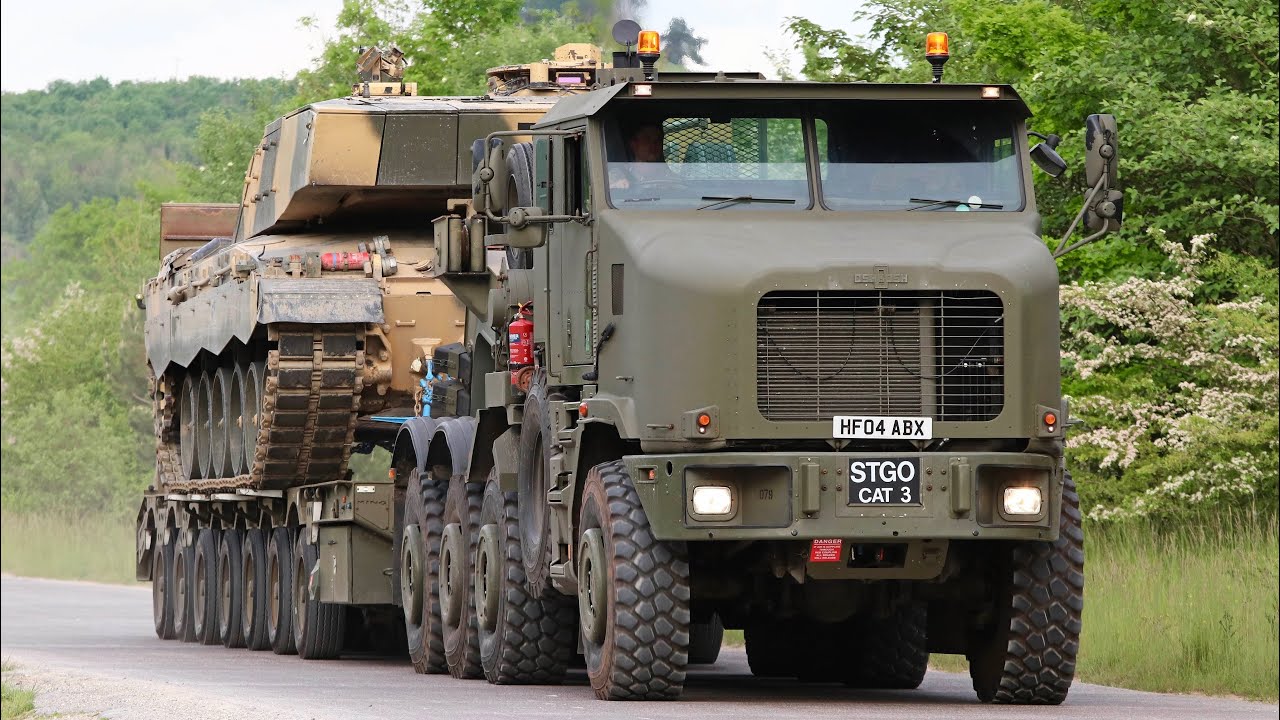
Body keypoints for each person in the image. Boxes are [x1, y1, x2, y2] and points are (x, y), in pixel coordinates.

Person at [610, 121, 680, 190]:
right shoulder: (618, 174)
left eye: (658, 140)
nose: (654, 145)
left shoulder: (668, 174)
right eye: (647, 139)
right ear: (634, 144)